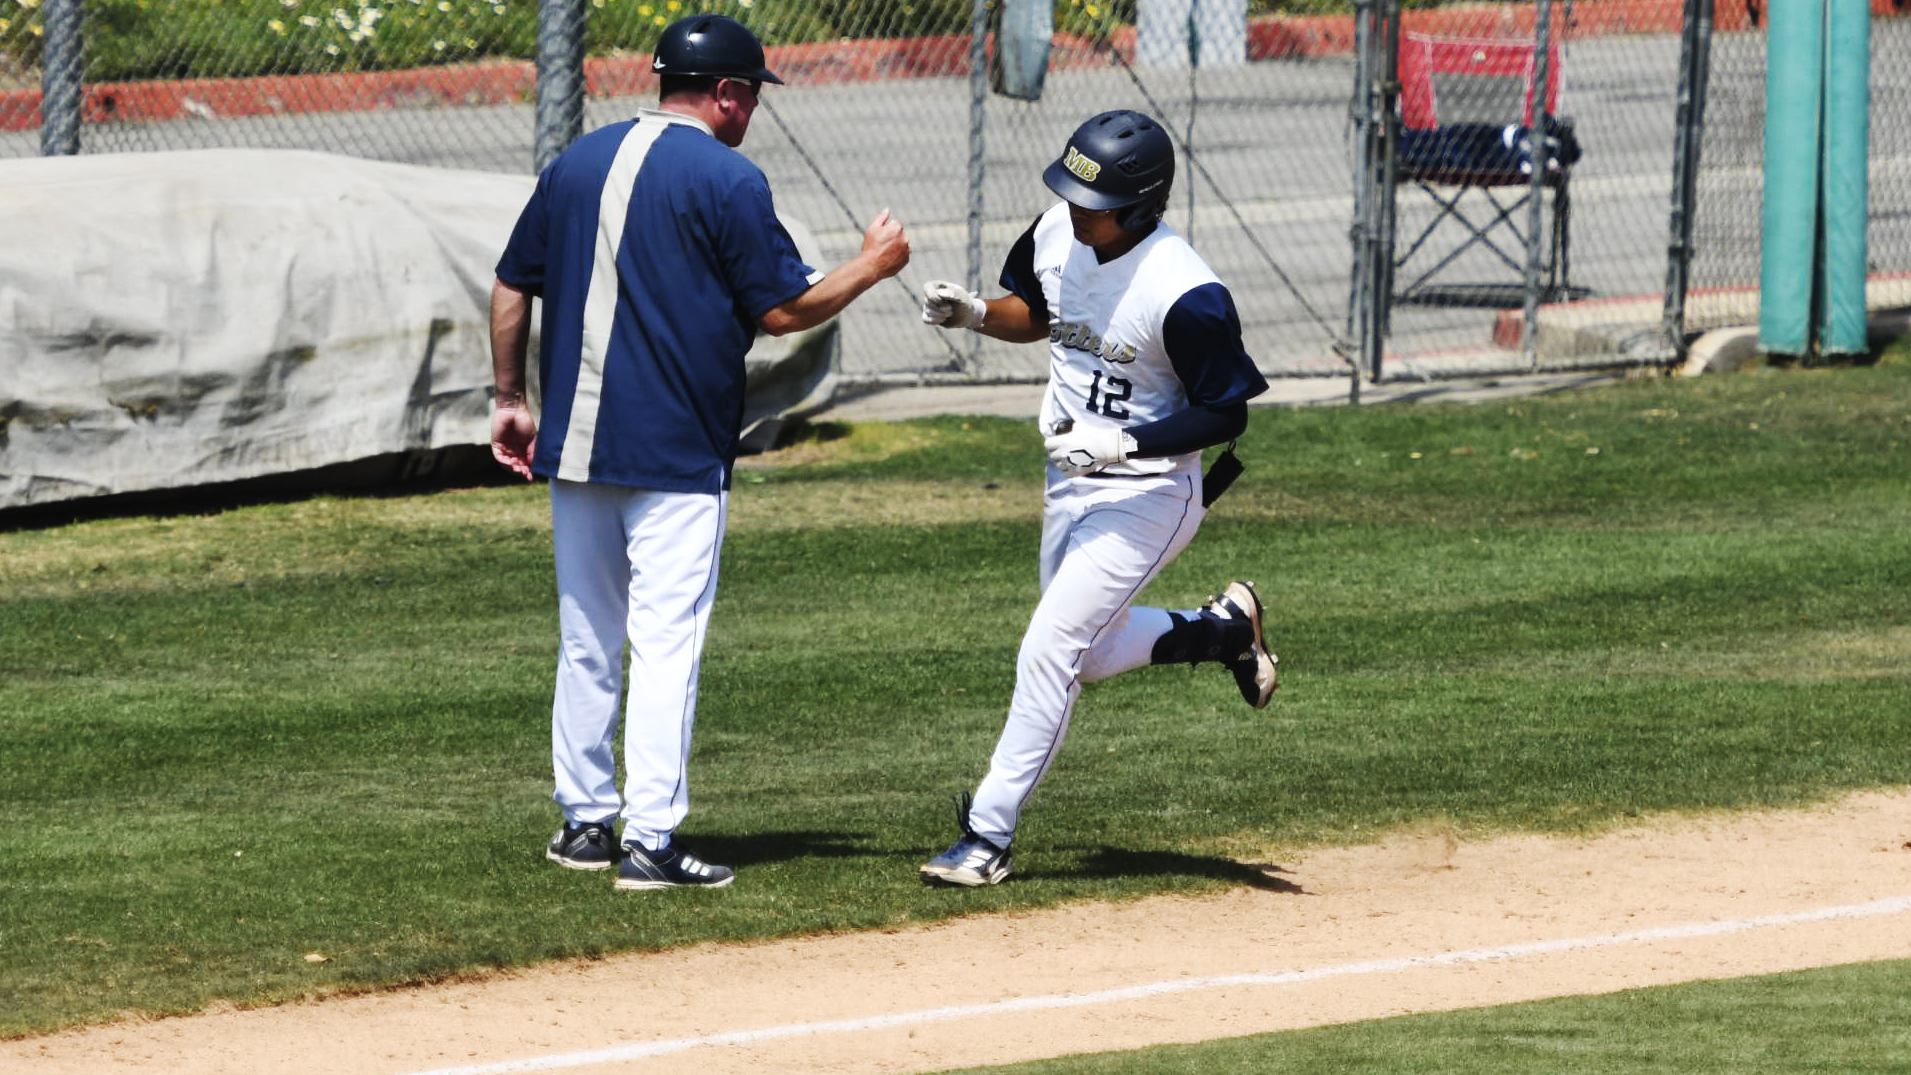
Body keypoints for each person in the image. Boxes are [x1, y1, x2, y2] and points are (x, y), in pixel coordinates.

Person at [489, 13, 910, 890]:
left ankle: (585, 823)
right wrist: (872, 265)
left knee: (587, 640)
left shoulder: (576, 161)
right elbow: (783, 311)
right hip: (676, 452)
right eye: (750, 93)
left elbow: (508, 284)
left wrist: (507, 399)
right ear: (724, 92)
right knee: (666, 641)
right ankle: (650, 840)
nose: (752, 108)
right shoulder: (728, 177)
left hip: (574, 450)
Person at [915, 109, 1275, 887]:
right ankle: (1222, 632)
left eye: (1095, 203)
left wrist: (1127, 444)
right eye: (1072, 195)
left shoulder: (1186, 292)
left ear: (1141, 205)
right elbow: (1036, 312)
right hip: (1069, 478)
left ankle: (986, 835)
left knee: (1049, 649)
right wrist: (976, 314)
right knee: (1086, 653)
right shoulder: (1056, 231)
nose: (1076, 212)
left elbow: (1227, 411)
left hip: (1150, 491)